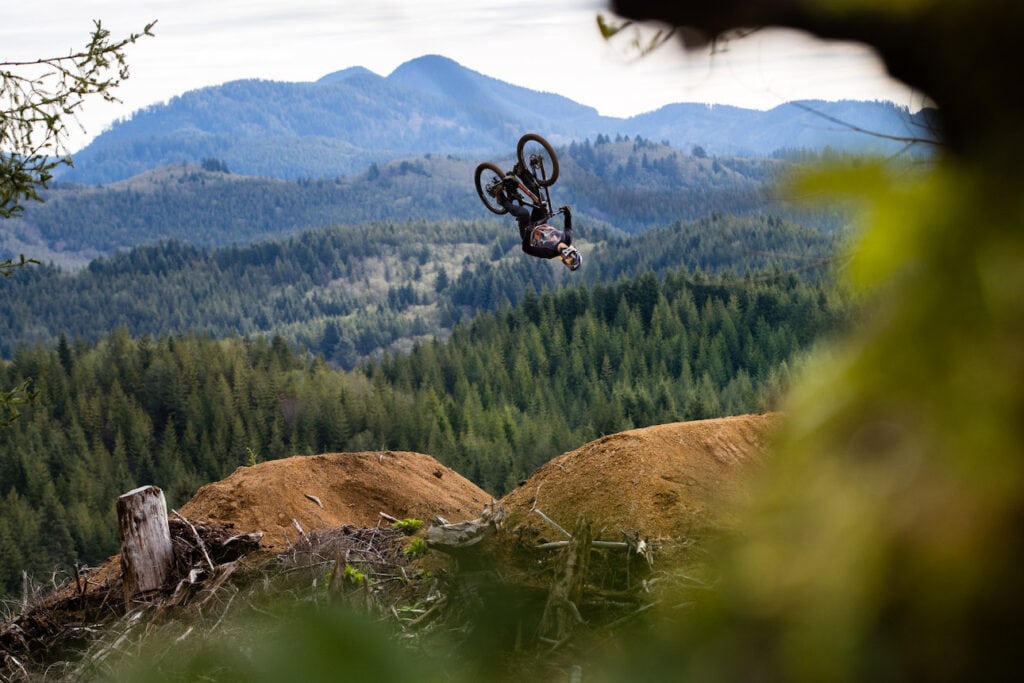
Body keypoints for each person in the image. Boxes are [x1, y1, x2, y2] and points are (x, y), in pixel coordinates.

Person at [491, 172, 581, 271]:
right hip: (540, 223)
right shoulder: (567, 238)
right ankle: (522, 173)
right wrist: (567, 213)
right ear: (573, 252)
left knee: (524, 213)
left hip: (528, 234)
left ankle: (501, 199)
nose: (566, 259)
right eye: (570, 259)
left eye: (567, 262)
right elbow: (568, 227)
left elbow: (526, 248)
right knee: (540, 200)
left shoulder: (549, 253)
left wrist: (529, 231)